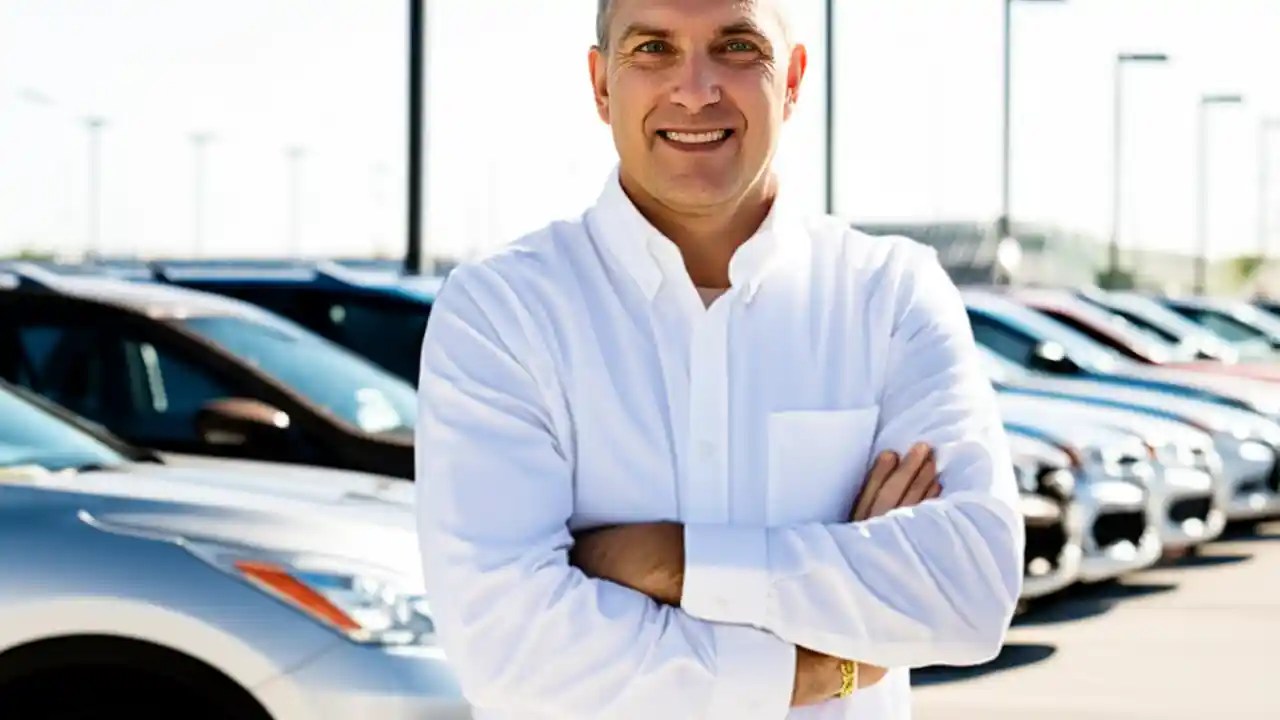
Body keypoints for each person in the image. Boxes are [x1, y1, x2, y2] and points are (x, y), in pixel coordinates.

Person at [414, 0, 1024, 717]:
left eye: (736, 47)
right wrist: (811, 670)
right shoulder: (502, 312)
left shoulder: (889, 295)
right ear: (602, 85)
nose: (696, 90)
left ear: (792, 79)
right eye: (653, 49)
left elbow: (969, 592)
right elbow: (509, 649)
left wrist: (673, 563)